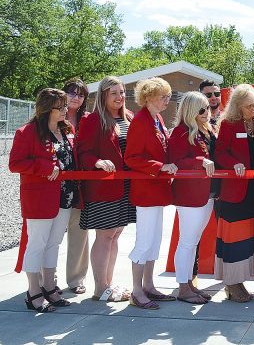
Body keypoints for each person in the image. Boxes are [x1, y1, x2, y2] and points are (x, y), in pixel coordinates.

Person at [10, 88, 80, 312]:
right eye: (61, 106)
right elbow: (15, 164)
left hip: (65, 196)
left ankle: (49, 286)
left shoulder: (66, 129)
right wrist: (43, 167)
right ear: (48, 108)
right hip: (40, 198)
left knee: (53, 244)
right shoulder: (27, 132)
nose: (65, 110)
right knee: (37, 244)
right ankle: (33, 292)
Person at [76, 76, 136, 302]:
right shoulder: (93, 120)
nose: (120, 97)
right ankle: (100, 288)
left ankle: (108, 285)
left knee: (116, 234)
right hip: (103, 188)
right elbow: (82, 153)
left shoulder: (128, 118)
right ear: (103, 95)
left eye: (122, 92)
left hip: (125, 187)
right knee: (104, 236)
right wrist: (97, 162)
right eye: (114, 93)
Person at [125, 77, 177, 310]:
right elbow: (132, 158)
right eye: (162, 96)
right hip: (146, 191)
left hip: (157, 190)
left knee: (154, 241)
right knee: (145, 241)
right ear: (148, 98)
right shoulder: (140, 121)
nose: (167, 100)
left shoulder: (157, 119)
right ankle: (136, 290)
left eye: (168, 96)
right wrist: (159, 167)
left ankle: (149, 285)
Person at [214, 84, 254, 302]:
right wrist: (233, 163)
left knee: (248, 237)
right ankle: (232, 282)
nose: (253, 109)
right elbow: (219, 153)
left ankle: (240, 280)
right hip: (235, 191)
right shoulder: (228, 124)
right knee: (233, 237)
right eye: (248, 106)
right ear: (237, 106)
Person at [167, 91, 217, 304]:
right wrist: (200, 160)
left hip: (207, 193)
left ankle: (189, 284)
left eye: (208, 107)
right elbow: (176, 159)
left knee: (193, 241)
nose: (207, 112)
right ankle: (183, 287)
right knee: (187, 242)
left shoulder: (206, 129)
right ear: (190, 110)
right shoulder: (180, 131)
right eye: (201, 109)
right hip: (190, 194)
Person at [62, 78, 90, 295]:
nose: (75, 97)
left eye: (80, 94)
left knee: (79, 233)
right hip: (56, 185)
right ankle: (46, 279)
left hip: (81, 186)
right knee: (51, 235)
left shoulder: (87, 120)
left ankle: (76, 278)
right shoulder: (52, 118)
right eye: (71, 92)